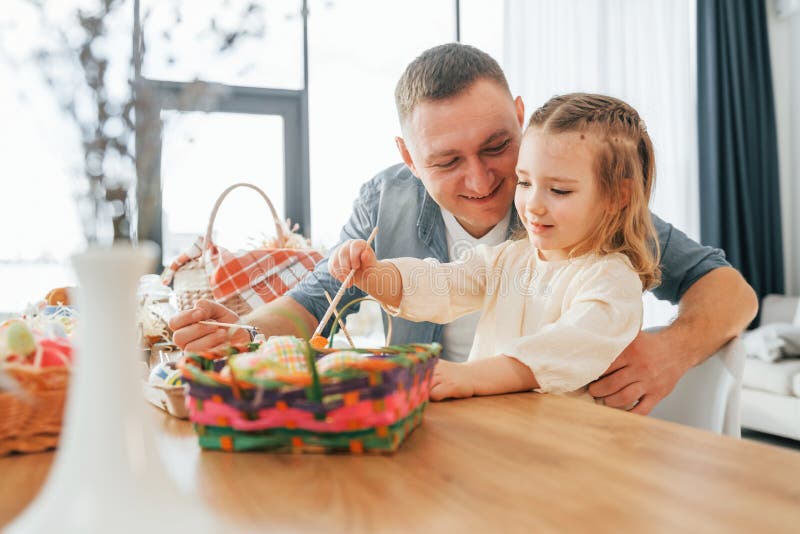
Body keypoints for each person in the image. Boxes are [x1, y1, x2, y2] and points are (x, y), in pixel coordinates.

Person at [170, 43, 758, 414]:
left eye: (499, 147)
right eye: (447, 162)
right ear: (408, 156)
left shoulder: (586, 209)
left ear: (522, 118)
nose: (483, 181)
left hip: (552, 430)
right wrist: (242, 333)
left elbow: (730, 290)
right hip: (450, 420)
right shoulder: (390, 201)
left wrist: (671, 351)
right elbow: (334, 299)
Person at [328, 93, 658, 402]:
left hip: (568, 450)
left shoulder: (613, 283)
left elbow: (559, 348)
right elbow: (444, 284)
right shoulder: (510, 258)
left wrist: (469, 376)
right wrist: (375, 275)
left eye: (558, 190)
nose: (533, 205)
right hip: (500, 436)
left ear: (618, 196)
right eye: (525, 183)